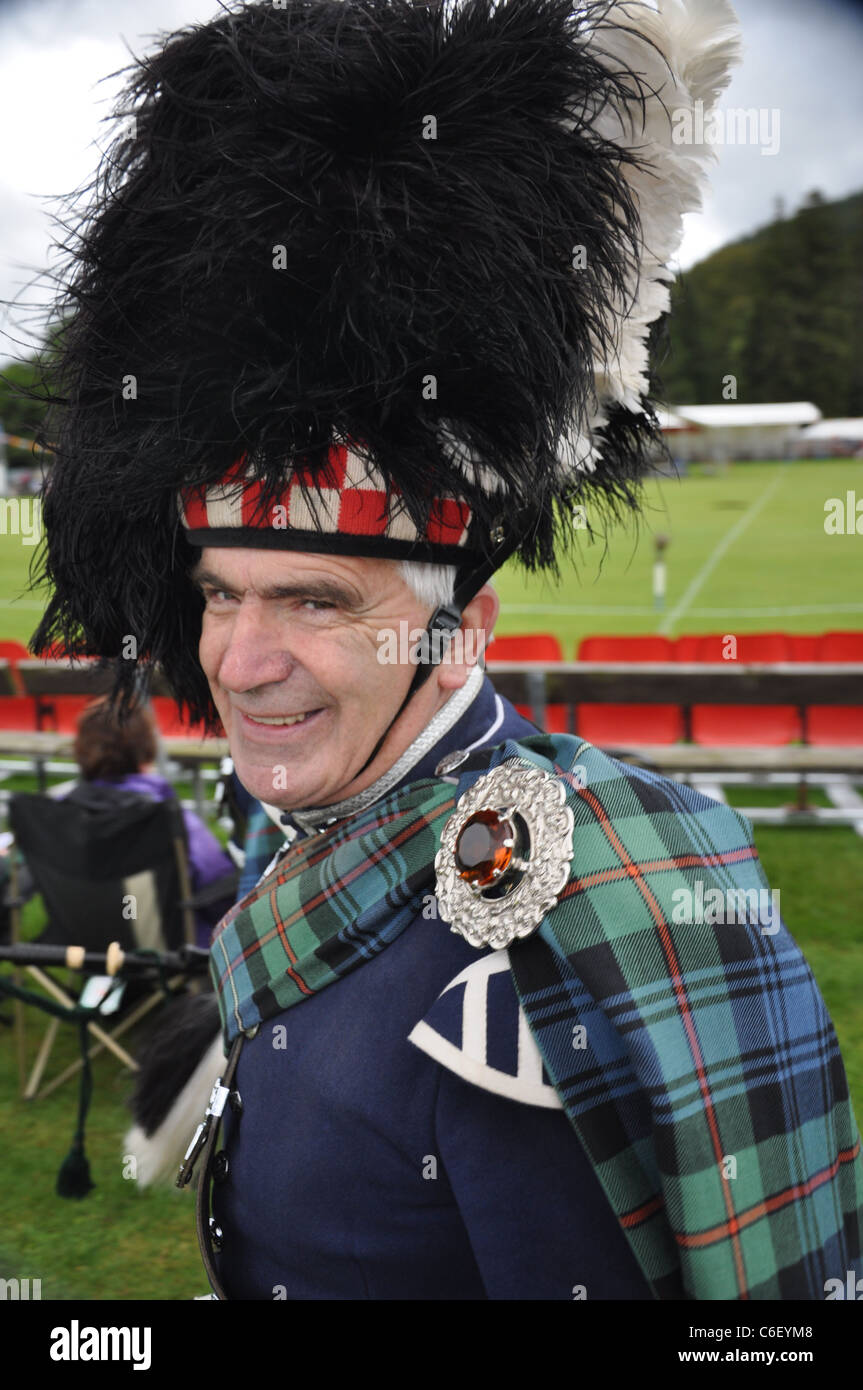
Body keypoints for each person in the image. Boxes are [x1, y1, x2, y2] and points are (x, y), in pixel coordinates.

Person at [30, 0, 862, 1300]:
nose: (238, 665)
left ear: (460, 620)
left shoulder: (531, 980)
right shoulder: (318, 827)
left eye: (310, 600)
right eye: (217, 593)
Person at [67, 700, 236, 949]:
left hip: (84, 945)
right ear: (147, 749)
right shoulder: (168, 818)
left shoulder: (57, 814)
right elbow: (216, 882)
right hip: (168, 949)